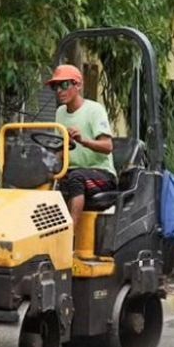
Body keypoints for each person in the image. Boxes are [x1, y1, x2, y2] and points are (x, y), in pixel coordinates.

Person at [47, 64, 116, 231]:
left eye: (64, 85)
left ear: (78, 85)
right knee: (42, 179)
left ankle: (69, 235)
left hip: (101, 173)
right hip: (72, 171)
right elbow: (60, 147)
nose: (59, 91)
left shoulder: (94, 110)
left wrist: (83, 140)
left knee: (75, 178)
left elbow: (108, 146)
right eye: (55, 86)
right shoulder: (60, 113)